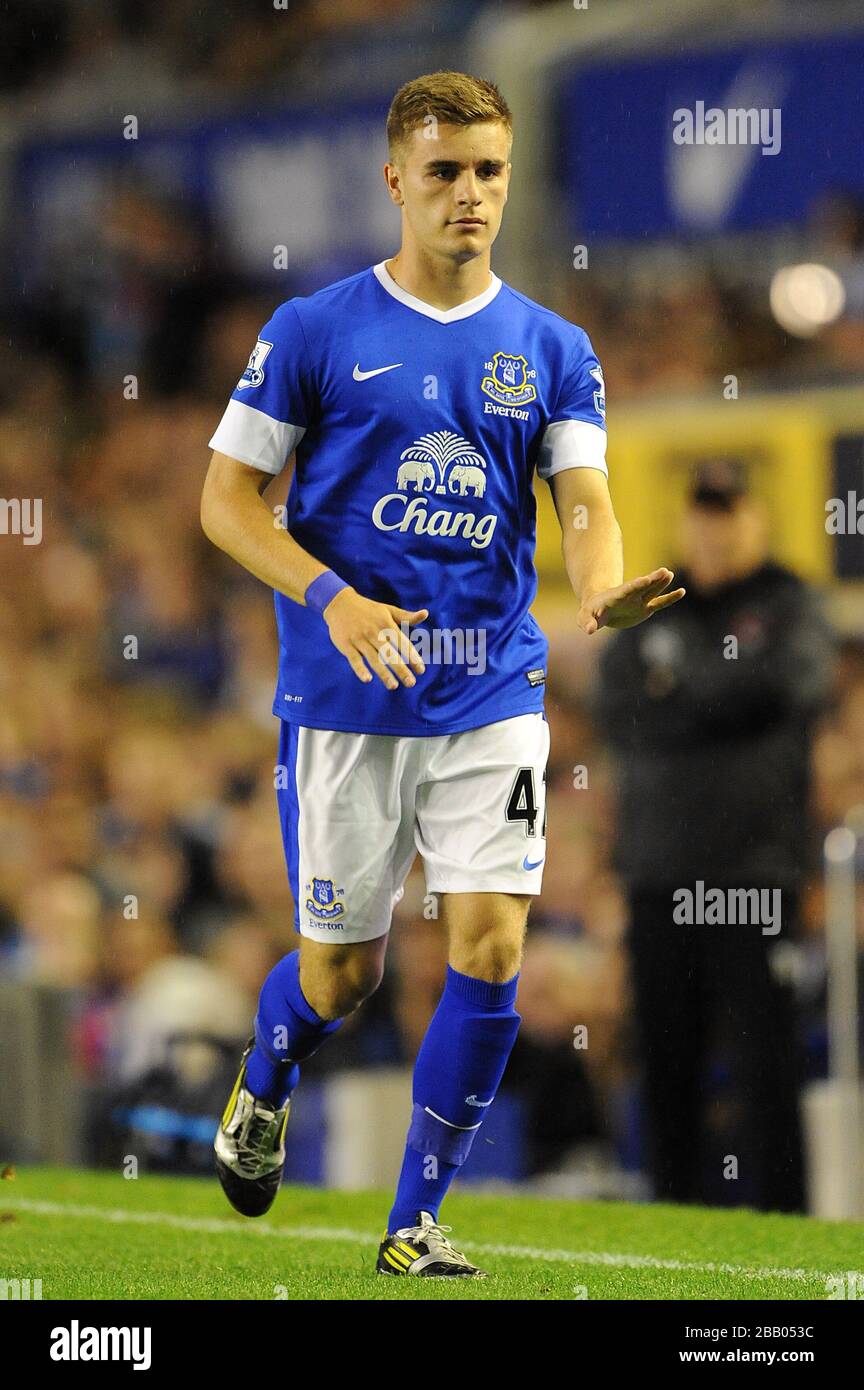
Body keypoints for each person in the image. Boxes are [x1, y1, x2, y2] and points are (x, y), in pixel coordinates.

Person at [200, 70, 683, 1278]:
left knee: (491, 949)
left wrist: (601, 583)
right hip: (348, 697)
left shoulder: (554, 347)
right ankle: (266, 1074)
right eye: (447, 173)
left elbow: (585, 505)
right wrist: (332, 595)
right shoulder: (312, 331)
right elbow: (224, 503)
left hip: (491, 692)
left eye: (490, 173)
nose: (472, 195)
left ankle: (413, 1223)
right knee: (345, 973)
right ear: (395, 182)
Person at [597, 459, 834, 1211]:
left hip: (755, 874)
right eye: (705, 510)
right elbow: (617, 706)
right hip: (658, 873)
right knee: (667, 1057)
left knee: (767, 1059)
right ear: (688, 520)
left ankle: (784, 1220)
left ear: (756, 518)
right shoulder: (654, 606)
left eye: (730, 509)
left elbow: (791, 686)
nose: (717, 525)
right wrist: (720, 696)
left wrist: (681, 693)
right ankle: (672, 1215)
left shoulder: (789, 601)